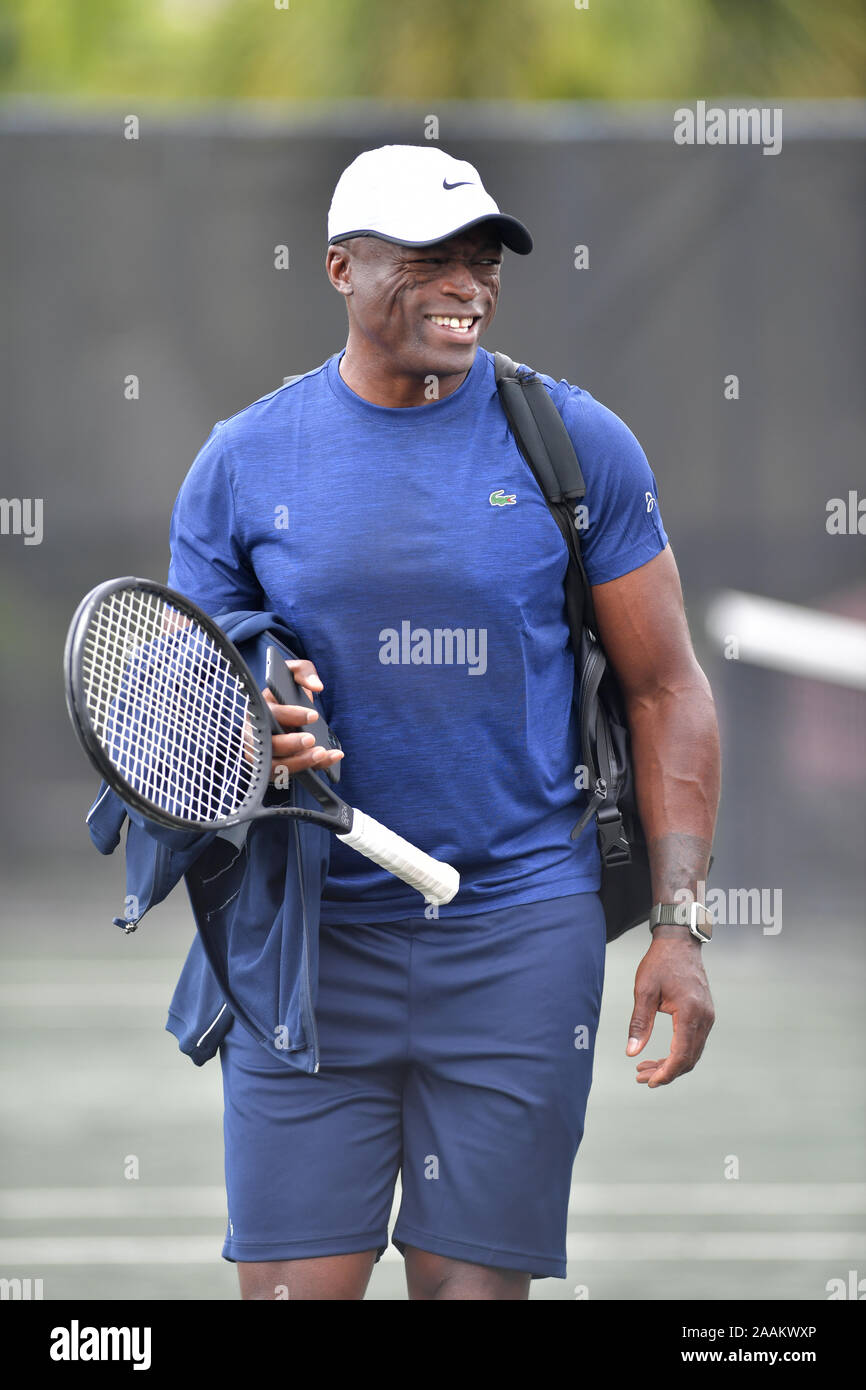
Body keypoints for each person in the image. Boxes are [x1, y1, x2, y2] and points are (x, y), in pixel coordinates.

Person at [167, 144, 720, 1301]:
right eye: (426, 258)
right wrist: (244, 739)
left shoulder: (574, 446)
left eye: (480, 257)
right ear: (338, 268)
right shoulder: (240, 462)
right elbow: (182, 715)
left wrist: (676, 926)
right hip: (306, 947)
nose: (463, 281)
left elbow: (666, 687)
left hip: (518, 933)